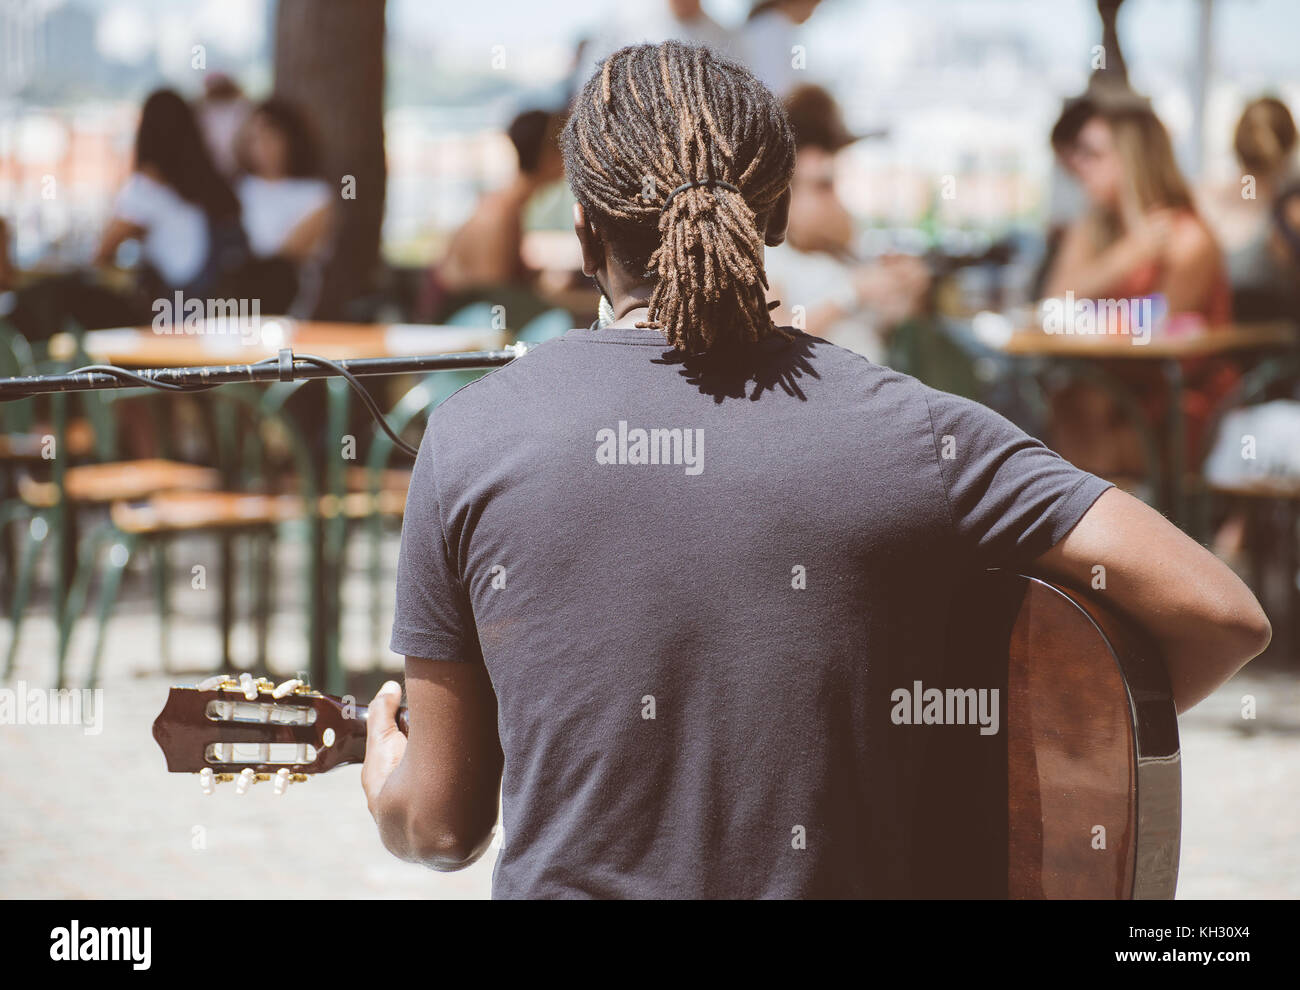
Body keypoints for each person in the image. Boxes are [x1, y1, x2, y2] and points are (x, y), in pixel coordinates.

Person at [361, 41, 1269, 899]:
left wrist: (386, 778)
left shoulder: (471, 435)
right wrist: (1058, 749)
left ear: (585, 228)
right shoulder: (921, 432)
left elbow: (441, 828)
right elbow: (1222, 615)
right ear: (781, 219)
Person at [1042, 101, 1235, 478]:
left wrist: (1084, 316)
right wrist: (1127, 255)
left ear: (1133, 160)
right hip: (1113, 395)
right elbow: (1052, 305)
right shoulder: (1094, 227)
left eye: (1093, 154)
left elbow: (1157, 329)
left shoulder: (1188, 237)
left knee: (1082, 409)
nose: (1079, 165)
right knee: (1072, 403)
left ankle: (1095, 524)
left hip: (1177, 404)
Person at [765, 84, 929, 363]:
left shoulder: (846, 248)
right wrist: (850, 293)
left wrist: (908, 289)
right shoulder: (770, 255)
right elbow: (773, 339)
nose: (836, 199)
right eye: (823, 186)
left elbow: (887, 325)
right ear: (785, 192)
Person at [94, 88, 247, 302]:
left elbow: (101, 254)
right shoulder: (210, 182)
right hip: (218, 305)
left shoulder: (146, 188)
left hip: (177, 310)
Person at [420, 108, 566, 322]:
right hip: (461, 328)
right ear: (547, 154)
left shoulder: (508, 206)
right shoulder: (497, 214)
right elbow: (494, 298)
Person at [1202, 96, 1300, 322]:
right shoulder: (1289, 214)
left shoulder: (1201, 197)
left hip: (1208, 343)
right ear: (1290, 147)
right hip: (1269, 349)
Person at [234, 98, 333, 312]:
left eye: (271, 138)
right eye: (255, 139)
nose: (262, 148)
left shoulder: (316, 193)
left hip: (290, 296)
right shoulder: (239, 189)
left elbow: (286, 252)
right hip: (241, 298)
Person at [739, 0, 822, 98]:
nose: (811, 15)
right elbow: (773, 83)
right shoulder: (769, 29)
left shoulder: (782, 29)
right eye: (812, 7)